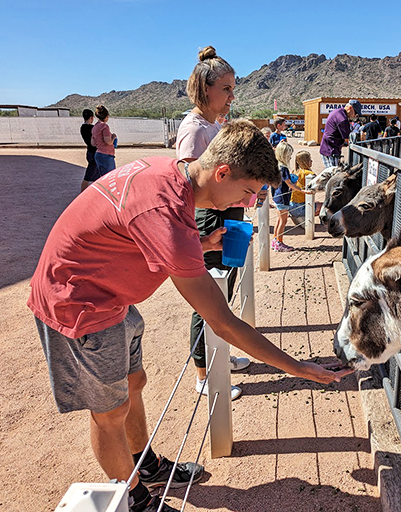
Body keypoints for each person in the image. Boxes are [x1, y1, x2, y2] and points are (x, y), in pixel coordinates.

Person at [28, 121, 353, 512]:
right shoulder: (165, 210)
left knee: (134, 382)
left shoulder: (170, 174)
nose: (249, 203)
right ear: (222, 173)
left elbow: (142, 234)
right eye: (248, 191)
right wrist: (298, 368)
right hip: (78, 303)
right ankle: (134, 499)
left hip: (111, 296)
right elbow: (223, 323)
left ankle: (144, 464)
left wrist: (198, 242)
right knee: (109, 412)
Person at [175, 46, 248, 401]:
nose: (232, 95)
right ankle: (204, 373)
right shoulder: (193, 129)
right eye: (227, 89)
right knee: (207, 297)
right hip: (209, 218)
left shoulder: (214, 125)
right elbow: (190, 186)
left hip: (228, 212)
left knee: (225, 289)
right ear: (206, 89)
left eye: (234, 88)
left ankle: (221, 355)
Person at [271, 141, 310, 251]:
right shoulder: (283, 168)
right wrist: (302, 191)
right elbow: (289, 183)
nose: (290, 157)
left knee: (279, 220)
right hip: (283, 197)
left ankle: (275, 241)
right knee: (283, 221)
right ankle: (279, 242)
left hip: (278, 196)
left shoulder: (276, 166)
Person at [319, 99, 362, 168]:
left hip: (327, 148)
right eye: (355, 113)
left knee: (330, 172)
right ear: (350, 108)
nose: (355, 116)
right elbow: (348, 139)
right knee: (334, 174)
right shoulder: (343, 119)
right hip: (331, 150)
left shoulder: (337, 112)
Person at [289, 151, 321, 219]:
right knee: (324, 206)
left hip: (292, 205)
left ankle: (300, 218)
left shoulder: (294, 172)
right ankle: (304, 219)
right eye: (309, 159)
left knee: (316, 202)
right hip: (301, 206)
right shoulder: (309, 173)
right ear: (305, 161)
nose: (311, 161)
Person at [91, 105, 117, 177]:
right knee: (110, 177)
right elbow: (108, 142)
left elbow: (93, 143)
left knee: (102, 177)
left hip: (99, 154)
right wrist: (113, 137)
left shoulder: (94, 127)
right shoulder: (104, 127)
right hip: (106, 155)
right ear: (106, 116)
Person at [79, 109, 99, 192]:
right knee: (89, 175)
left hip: (90, 152)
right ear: (91, 117)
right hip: (94, 153)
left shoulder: (83, 127)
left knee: (96, 174)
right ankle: (82, 194)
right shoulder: (92, 128)